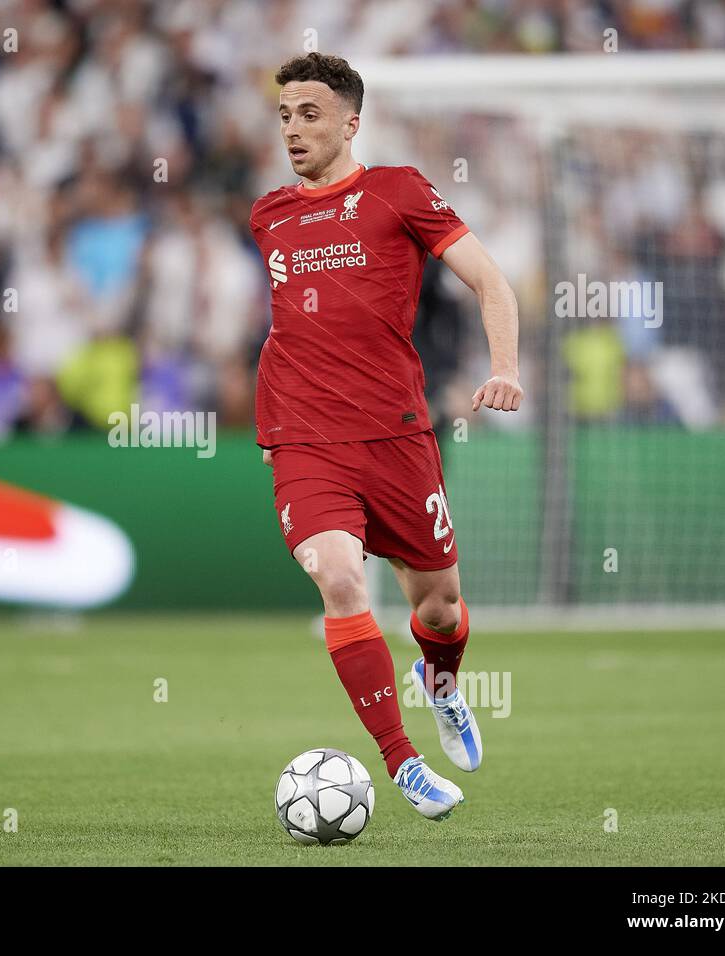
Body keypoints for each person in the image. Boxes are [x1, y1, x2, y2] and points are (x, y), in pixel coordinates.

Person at [249, 53, 523, 821]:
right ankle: (402, 765)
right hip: (305, 439)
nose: (293, 129)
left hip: (397, 436)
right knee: (339, 579)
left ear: (349, 121)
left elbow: (491, 281)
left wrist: (505, 367)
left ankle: (441, 685)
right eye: (284, 115)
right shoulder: (268, 214)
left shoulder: (399, 191)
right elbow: (290, 328)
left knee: (437, 608)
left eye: (309, 114)